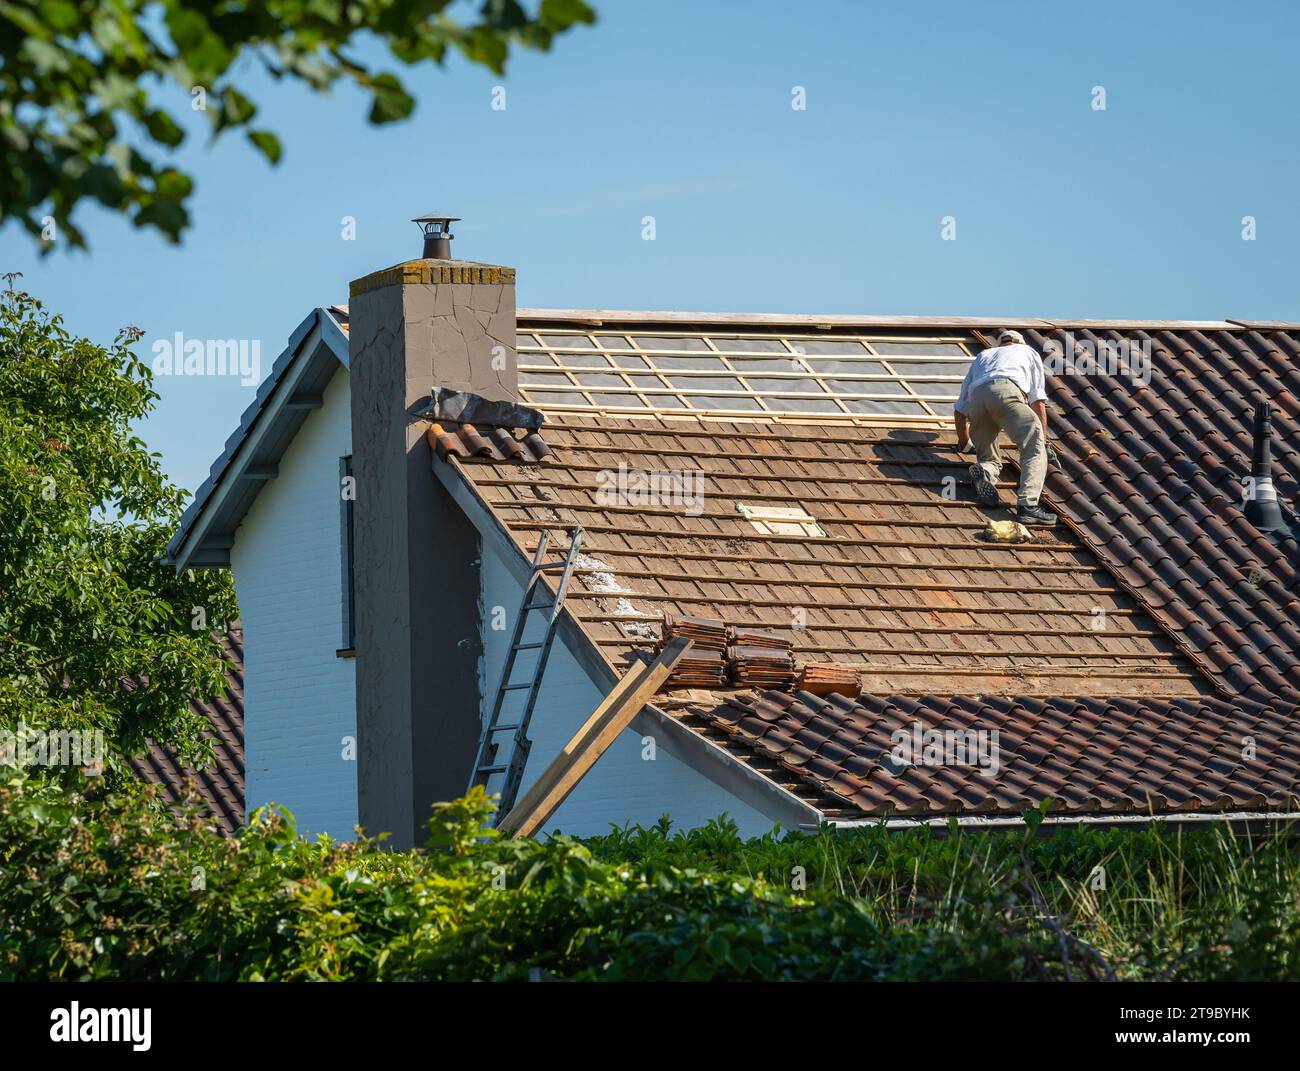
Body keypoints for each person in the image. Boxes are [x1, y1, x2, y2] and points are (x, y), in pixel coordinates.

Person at [953, 329, 1057, 526]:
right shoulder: (1027, 351)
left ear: (1001, 343)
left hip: (977, 401)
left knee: (988, 457)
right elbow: (1037, 400)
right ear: (1019, 342)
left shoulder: (984, 356)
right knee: (1034, 448)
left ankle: (984, 471)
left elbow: (960, 410)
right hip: (1006, 392)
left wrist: (964, 443)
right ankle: (1028, 506)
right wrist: (1044, 440)